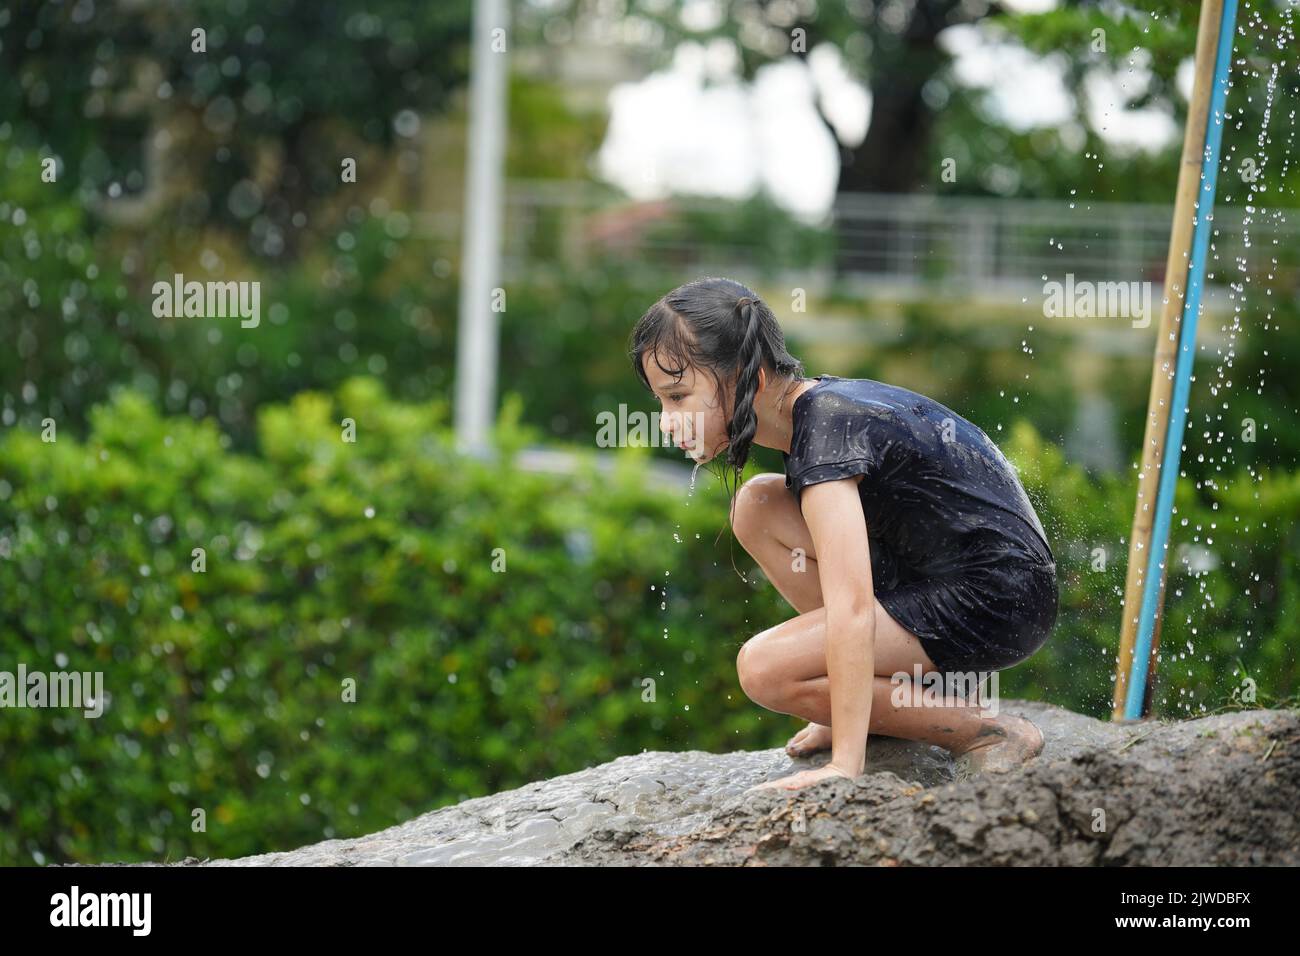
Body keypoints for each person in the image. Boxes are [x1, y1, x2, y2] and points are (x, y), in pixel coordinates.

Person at [629, 277, 1057, 792]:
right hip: (937, 577)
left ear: (751, 380)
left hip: (999, 596)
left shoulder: (827, 428)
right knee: (756, 505)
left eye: (678, 397)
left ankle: (986, 732)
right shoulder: (811, 413)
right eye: (661, 401)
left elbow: (852, 607)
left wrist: (843, 766)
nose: (667, 421)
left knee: (765, 669)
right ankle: (876, 699)